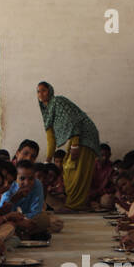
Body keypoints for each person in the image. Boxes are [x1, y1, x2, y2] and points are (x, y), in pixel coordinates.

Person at [36, 81, 99, 211]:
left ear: (50, 91)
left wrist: (75, 145)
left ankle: (75, 205)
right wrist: (47, 159)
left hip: (85, 135)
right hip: (76, 137)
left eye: (43, 90)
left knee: (76, 169)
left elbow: (73, 120)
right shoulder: (47, 112)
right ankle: (75, 204)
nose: (41, 94)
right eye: (38, 91)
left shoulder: (59, 102)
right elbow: (51, 138)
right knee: (68, 167)